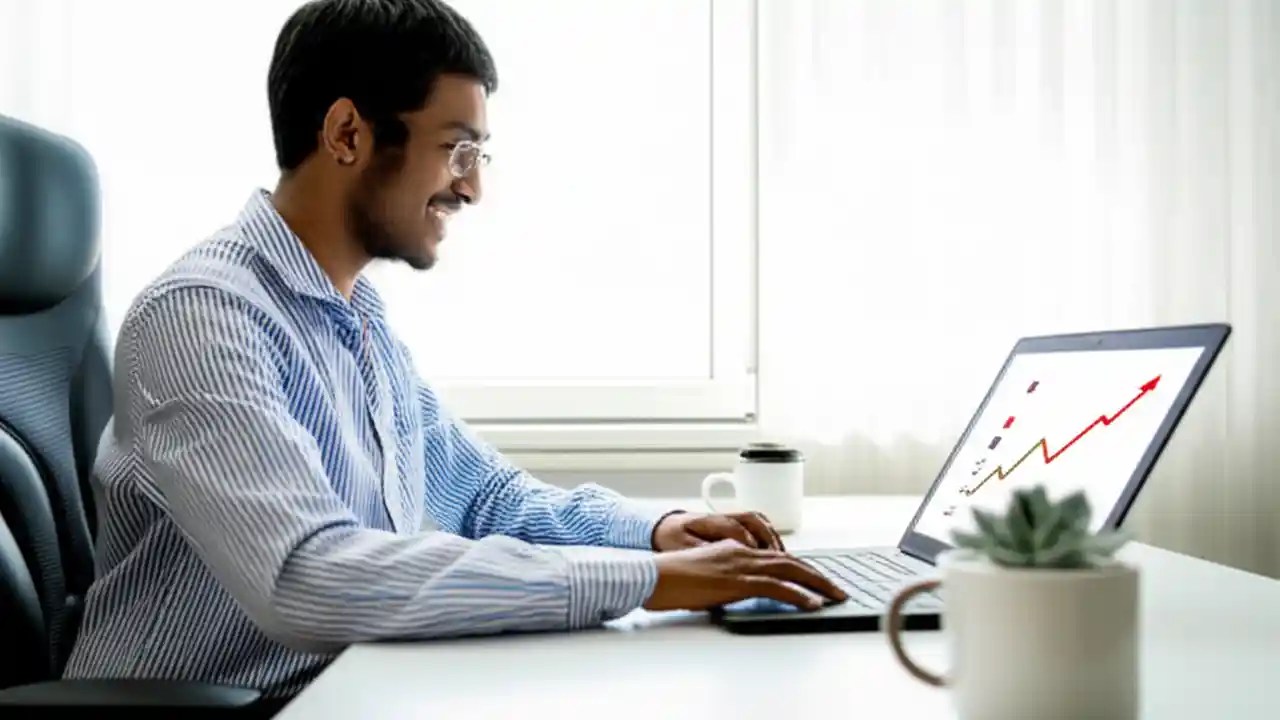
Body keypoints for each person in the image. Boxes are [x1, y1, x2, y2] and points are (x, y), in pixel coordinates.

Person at [62, 0, 846, 705]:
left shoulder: (355, 318)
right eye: (456, 150)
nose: (472, 190)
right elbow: (307, 580)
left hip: (349, 690)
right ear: (347, 134)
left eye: (479, 157)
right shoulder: (204, 319)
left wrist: (654, 534)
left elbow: (486, 498)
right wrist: (645, 582)